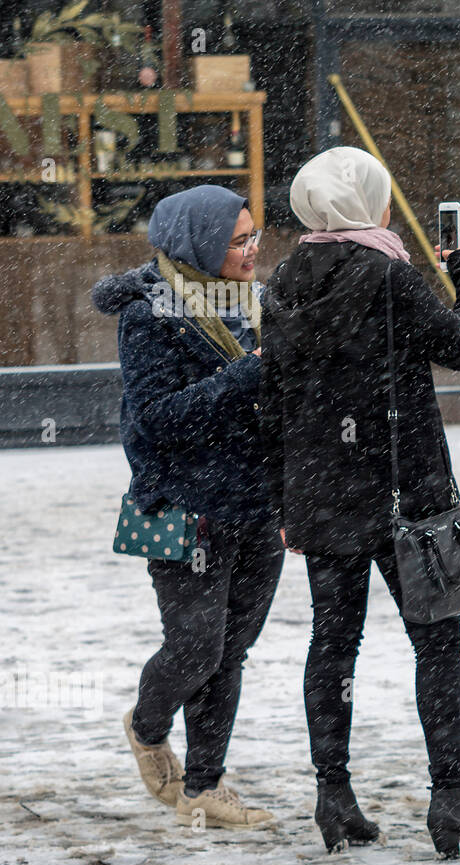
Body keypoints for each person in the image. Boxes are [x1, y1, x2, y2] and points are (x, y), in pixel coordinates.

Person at [259, 146, 460, 858]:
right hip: (406, 493)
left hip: (324, 495)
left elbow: (271, 404)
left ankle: (333, 794)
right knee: (437, 641)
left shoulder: (282, 283)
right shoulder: (391, 276)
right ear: (363, 202)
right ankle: (450, 797)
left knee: (334, 644)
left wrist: (287, 502)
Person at [92, 184, 282, 828]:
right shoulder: (150, 314)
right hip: (187, 506)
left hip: (258, 504)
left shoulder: (260, 304)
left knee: (233, 649)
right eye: (239, 240)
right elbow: (157, 419)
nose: (253, 249)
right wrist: (247, 374)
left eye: (255, 235)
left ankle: (204, 784)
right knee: (197, 646)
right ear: (200, 244)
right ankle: (147, 726)